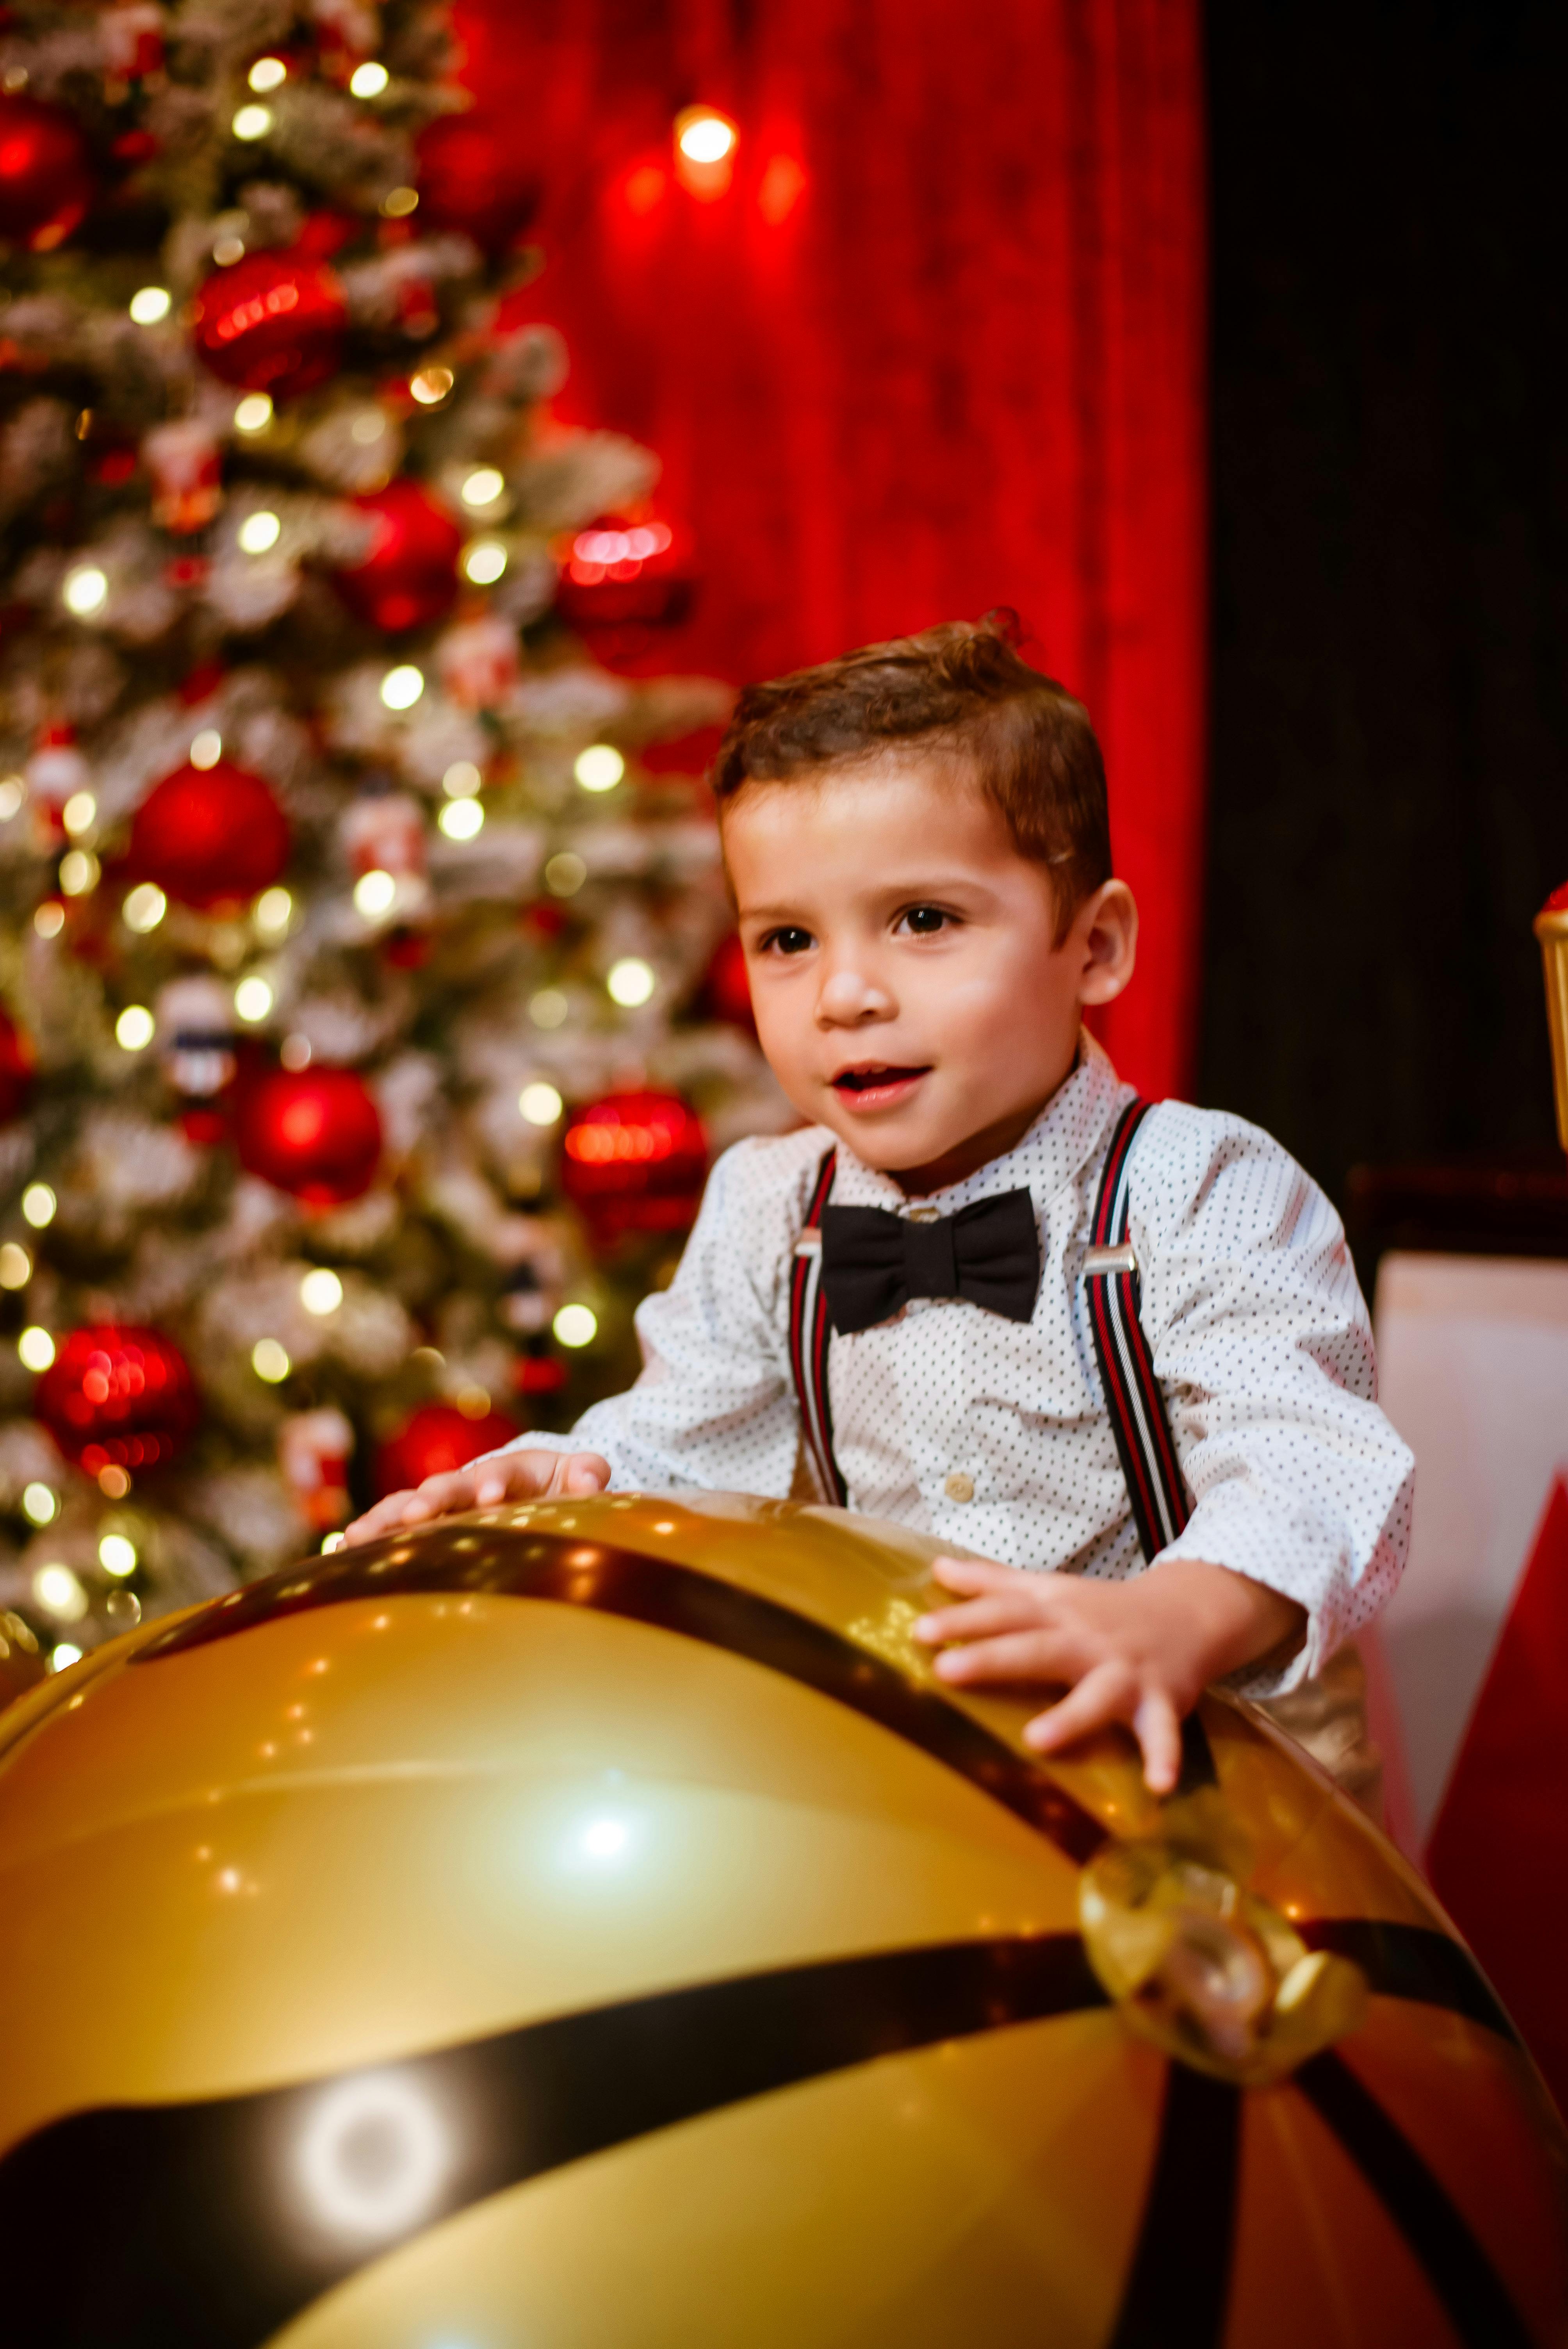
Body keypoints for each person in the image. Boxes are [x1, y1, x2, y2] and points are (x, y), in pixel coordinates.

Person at [346, 615, 1413, 1793]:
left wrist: (1175, 1618)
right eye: (788, 940)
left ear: (1096, 947)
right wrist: (554, 1481)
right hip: (938, 1778)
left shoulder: (1198, 1191)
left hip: (1215, 1782)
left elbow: (1307, 1464)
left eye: (924, 921)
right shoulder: (770, 1208)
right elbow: (679, 1448)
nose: (845, 995)